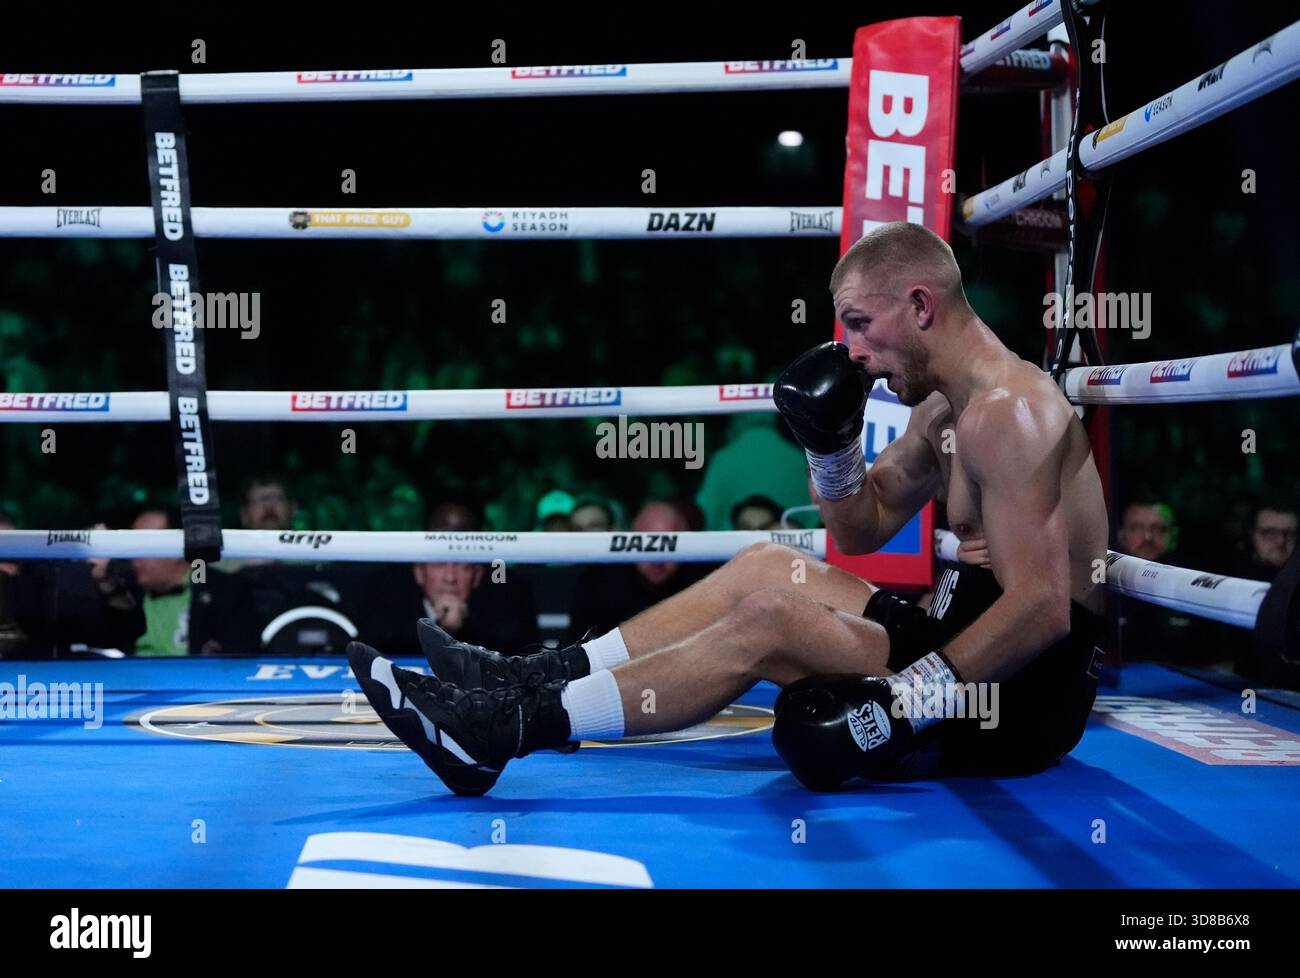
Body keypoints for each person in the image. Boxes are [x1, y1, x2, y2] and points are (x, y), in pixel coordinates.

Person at [348, 221, 1109, 795]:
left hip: (1016, 694)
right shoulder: (944, 410)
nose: (850, 352)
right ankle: (532, 678)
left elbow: (1043, 610)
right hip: (954, 634)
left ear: (919, 305)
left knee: (772, 620)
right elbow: (861, 528)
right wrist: (831, 446)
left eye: (858, 325)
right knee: (766, 565)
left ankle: (503, 730)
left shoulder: (1009, 414)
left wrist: (904, 704)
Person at [568, 501, 714, 638]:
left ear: (685, 545)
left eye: (668, 549)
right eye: (646, 549)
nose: (657, 561)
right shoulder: (598, 582)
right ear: (630, 541)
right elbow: (576, 647)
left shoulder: (707, 582)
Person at [130, 507, 259, 655]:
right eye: (133, 546)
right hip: (132, 677)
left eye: (144, 546)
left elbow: (241, 655)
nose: (134, 557)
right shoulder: (124, 592)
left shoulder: (224, 590)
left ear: (175, 549)